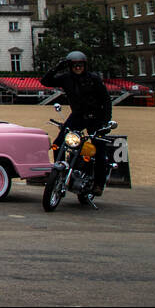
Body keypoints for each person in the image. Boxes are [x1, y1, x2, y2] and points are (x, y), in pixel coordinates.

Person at [42, 51, 114, 201]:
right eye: (74, 65)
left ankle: (98, 183)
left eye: (80, 65)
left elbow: (106, 100)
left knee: (99, 150)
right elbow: (45, 81)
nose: (78, 67)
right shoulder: (66, 78)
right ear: (70, 66)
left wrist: (106, 121)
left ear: (85, 65)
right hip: (77, 116)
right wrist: (57, 67)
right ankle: (58, 172)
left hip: (96, 117)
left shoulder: (94, 79)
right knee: (57, 144)